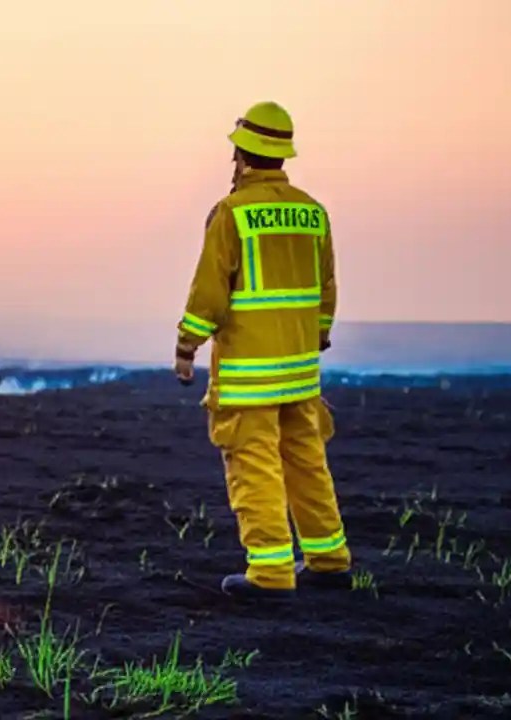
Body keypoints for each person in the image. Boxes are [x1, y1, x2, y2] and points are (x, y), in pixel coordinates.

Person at [173, 101, 352, 598]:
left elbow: (209, 289)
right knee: (307, 462)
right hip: (300, 374)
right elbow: (326, 289)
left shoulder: (232, 213)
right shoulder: (312, 212)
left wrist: (187, 346)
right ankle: (328, 559)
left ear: (243, 154)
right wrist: (314, 338)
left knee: (254, 469)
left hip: (250, 378)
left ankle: (270, 574)